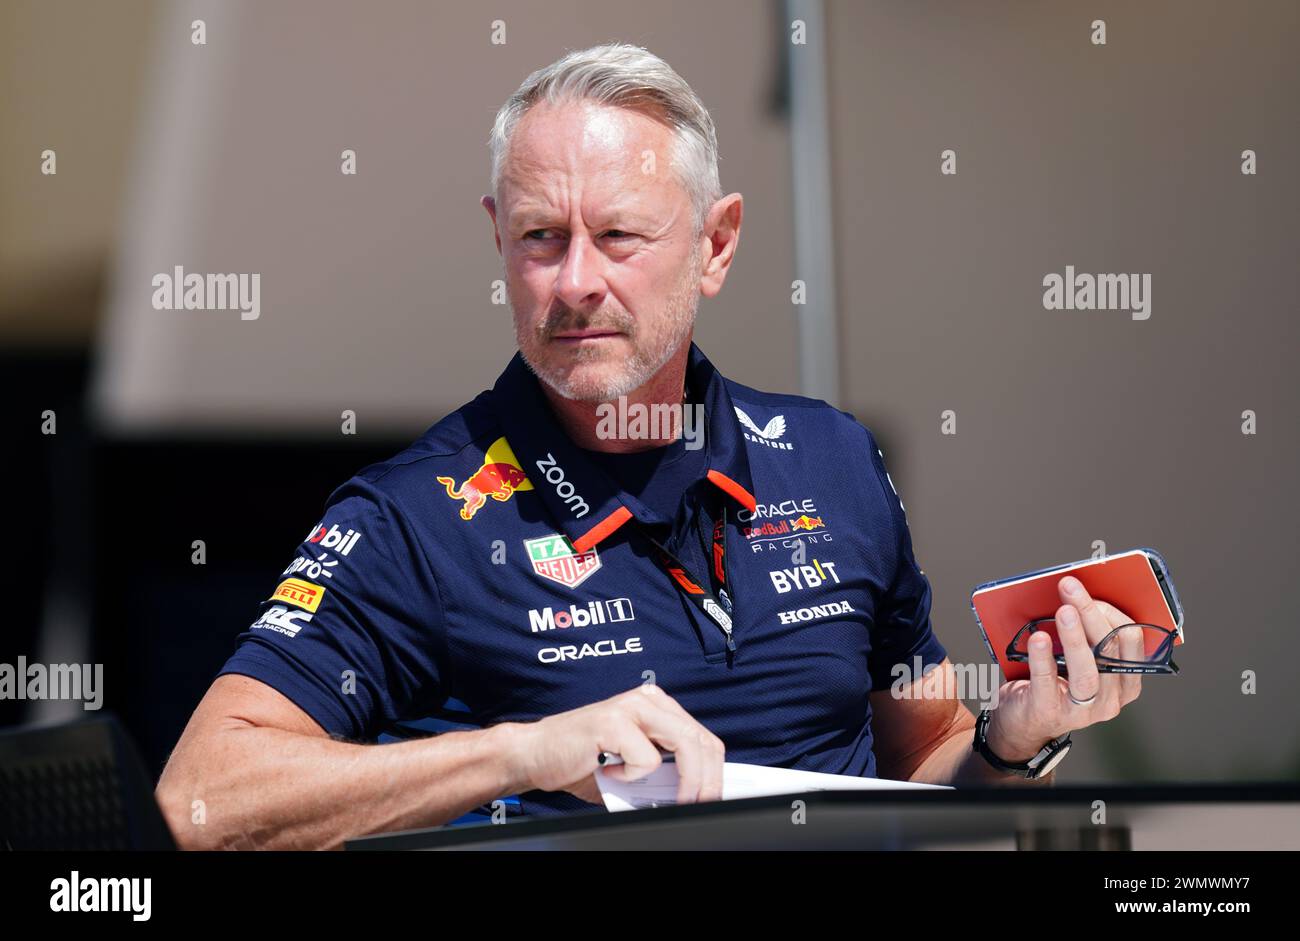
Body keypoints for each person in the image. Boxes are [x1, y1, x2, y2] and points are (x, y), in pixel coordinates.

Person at [156, 43, 1144, 850]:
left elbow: (924, 767)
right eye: (541, 236)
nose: (574, 281)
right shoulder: (415, 514)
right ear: (497, 237)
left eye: (620, 235)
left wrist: (1014, 742)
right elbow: (201, 800)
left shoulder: (830, 459)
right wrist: (524, 751)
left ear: (716, 245)